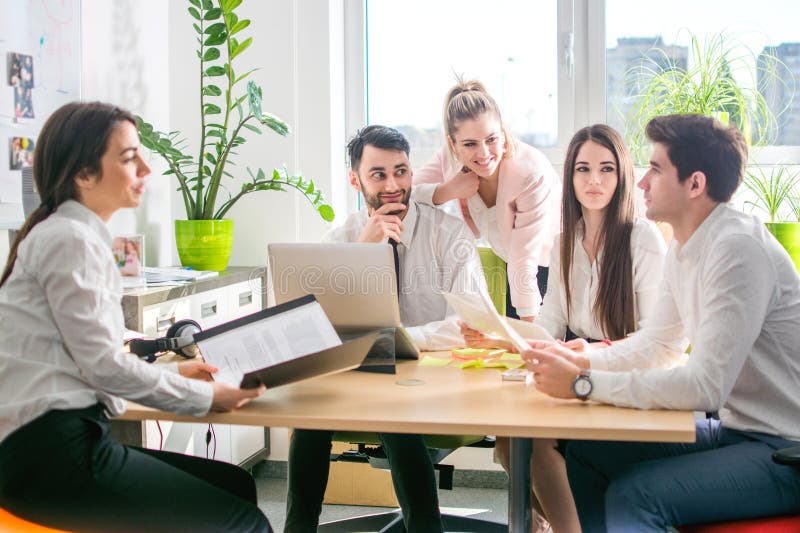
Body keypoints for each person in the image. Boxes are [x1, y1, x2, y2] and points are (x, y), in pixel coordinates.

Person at [0, 101, 271, 533]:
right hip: (49, 455)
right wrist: (206, 397)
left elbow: (85, 360)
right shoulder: (70, 238)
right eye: (129, 158)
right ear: (84, 174)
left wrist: (179, 374)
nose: (146, 168)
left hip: (52, 445)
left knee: (234, 485)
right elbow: (105, 368)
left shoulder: (69, 233)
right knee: (245, 521)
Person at [527, 114, 800, 531]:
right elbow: (658, 345)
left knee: (635, 495)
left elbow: (704, 386)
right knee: (586, 451)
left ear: (695, 184)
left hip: (784, 448)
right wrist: (580, 367)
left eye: (655, 169)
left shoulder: (737, 250)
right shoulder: (687, 244)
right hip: (738, 433)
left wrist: (584, 385)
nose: (641, 183)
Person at [462, 124, 667, 532]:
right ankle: (552, 523)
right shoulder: (563, 241)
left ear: (622, 175)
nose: (594, 180)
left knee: (534, 442)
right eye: (583, 169)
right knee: (508, 441)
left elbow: (653, 341)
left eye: (606, 169)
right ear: (570, 176)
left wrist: (586, 355)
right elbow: (552, 324)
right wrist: (501, 333)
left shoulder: (643, 239)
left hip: (623, 373)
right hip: (575, 365)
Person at [285, 125, 487, 533]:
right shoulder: (342, 237)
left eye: (401, 171)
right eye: (379, 174)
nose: (393, 184)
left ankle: (424, 529)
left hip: (429, 374)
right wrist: (364, 249)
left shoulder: (448, 234)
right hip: (359, 373)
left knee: (398, 414)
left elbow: (471, 323)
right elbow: (315, 323)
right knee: (309, 415)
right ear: (355, 179)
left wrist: (400, 341)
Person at [414, 77, 561, 321]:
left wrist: (530, 338)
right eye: (470, 144)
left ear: (503, 134)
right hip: (513, 267)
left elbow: (524, 260)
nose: (484, 153)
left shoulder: (530, 174)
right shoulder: (448, 158)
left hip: (556, 268)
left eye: (491, 139)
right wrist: (448, 190)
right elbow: (405, 192)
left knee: (542, 349)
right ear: (453, 144)